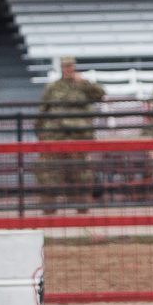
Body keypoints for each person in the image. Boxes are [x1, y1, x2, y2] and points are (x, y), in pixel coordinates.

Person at [35, 56, 105, 201]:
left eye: (71, 66)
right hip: (56, 134)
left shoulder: (82, 85)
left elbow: (100, 94)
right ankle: (48, 204)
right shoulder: (53, 87)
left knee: (80, 171)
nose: (69, 69)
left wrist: (85, 82)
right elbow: (43, 110)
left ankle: (81, 204)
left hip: (79, 134)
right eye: (66, 66)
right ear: (61, 68)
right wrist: (40, 131)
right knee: (50, 170)